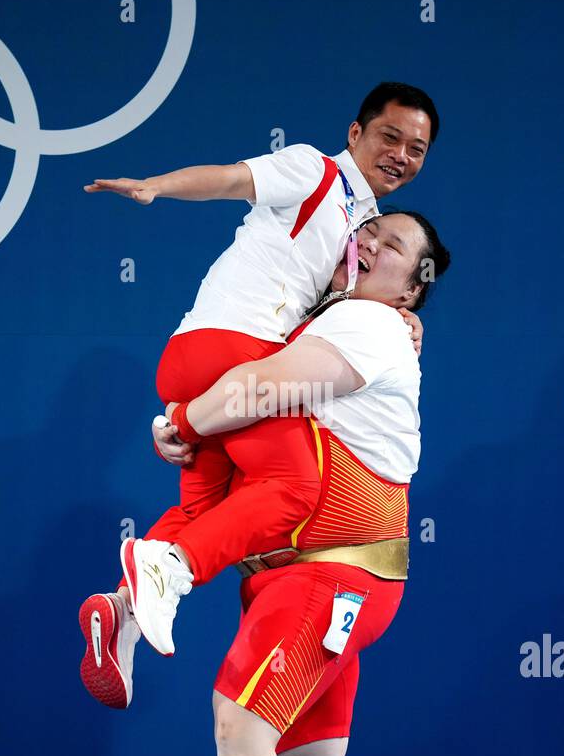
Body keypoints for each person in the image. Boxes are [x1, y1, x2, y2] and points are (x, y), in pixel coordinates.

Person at [79, 84, 439, 703]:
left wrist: (410, 316)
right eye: (389, 137)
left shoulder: (365, 230)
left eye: (417, 148)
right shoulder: (315, 171)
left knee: (204, 511)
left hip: (200, 358)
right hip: (233, 351)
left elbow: (335, 312)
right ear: (355, 134)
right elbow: (228, 180)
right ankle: (168, 569)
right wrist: (157, 186)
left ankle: (120, 614)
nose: (402, 154)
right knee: (294, 489)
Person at [152, 210, 450, 756]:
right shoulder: (331, 318)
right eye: (365, 231)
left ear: (411, 290)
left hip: (331, 577)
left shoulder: (368, 321)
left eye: (391, 246)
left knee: (241, 724)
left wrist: (181, 420)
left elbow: (257, 392)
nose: (368, 243)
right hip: (317, 577)